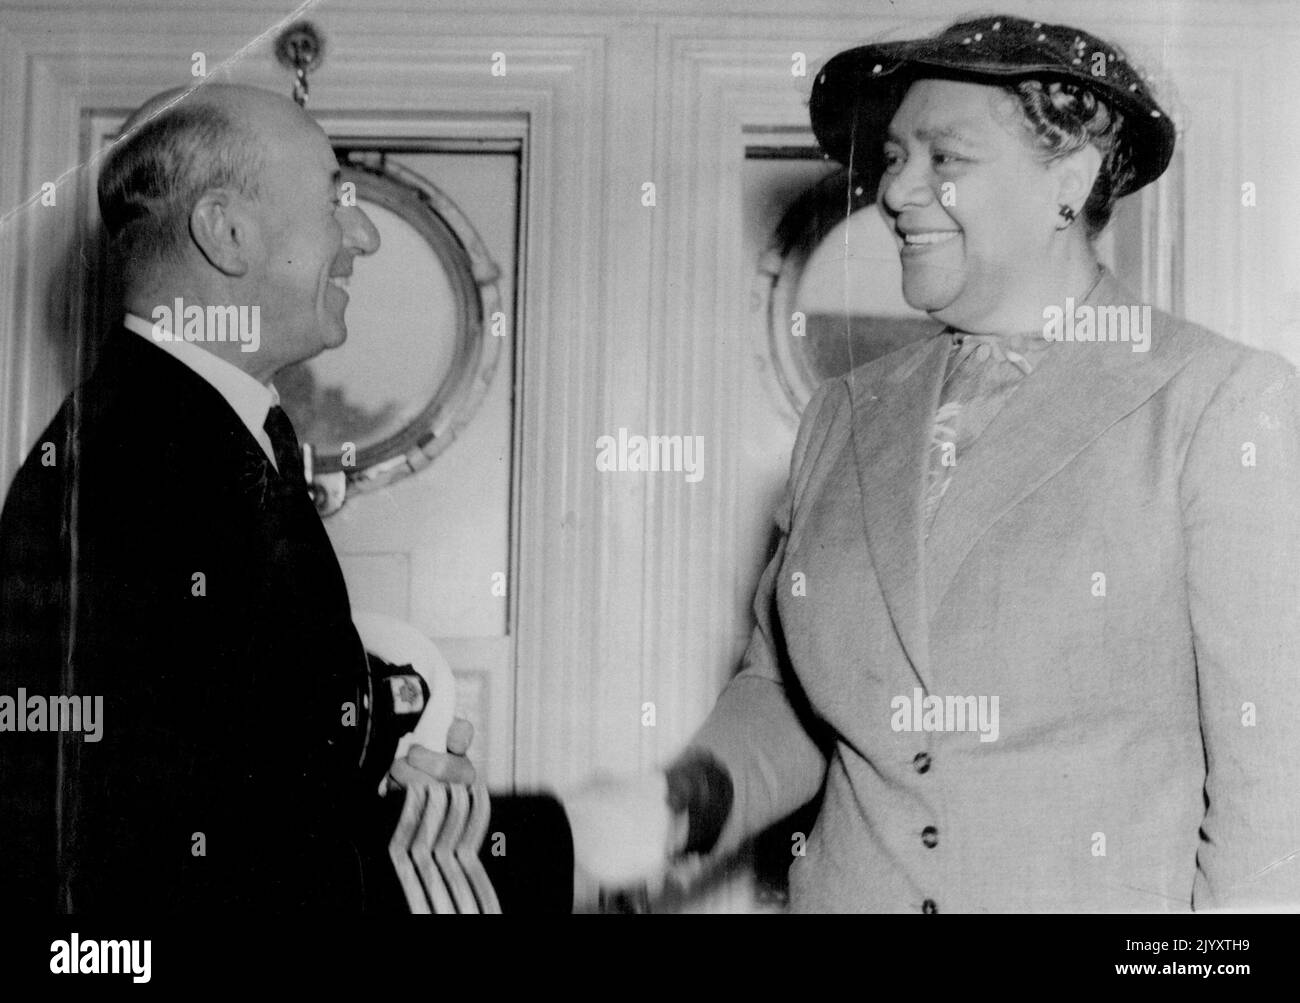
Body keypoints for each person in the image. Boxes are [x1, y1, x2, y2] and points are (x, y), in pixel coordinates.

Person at [569, 14, 1300, 912]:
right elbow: (788, 696)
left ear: (1067, 182)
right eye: (892, 156)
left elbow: (1277, 795)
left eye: (943, 159)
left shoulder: (1221, 404)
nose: (894, 190)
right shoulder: (842, 415)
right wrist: (666, 809)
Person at [0, 83, 571, 913]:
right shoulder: (129, 472)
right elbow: (156, 879)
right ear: (226, 232)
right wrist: (576, 841)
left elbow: (234, 781)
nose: (364, 232)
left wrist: (385, 766)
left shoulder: (193, 435)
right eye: (337, 199)